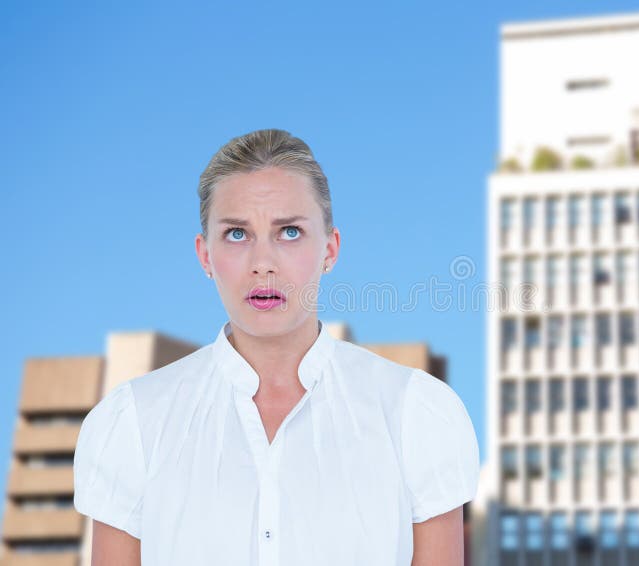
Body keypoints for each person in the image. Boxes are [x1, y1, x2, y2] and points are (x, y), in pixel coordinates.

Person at [73, 128, 480, 565]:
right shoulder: (134, 423)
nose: (262, 263)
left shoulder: (413, 413)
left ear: (330, 248)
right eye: (236, 234)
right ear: (205, 255)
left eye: (289, 232)